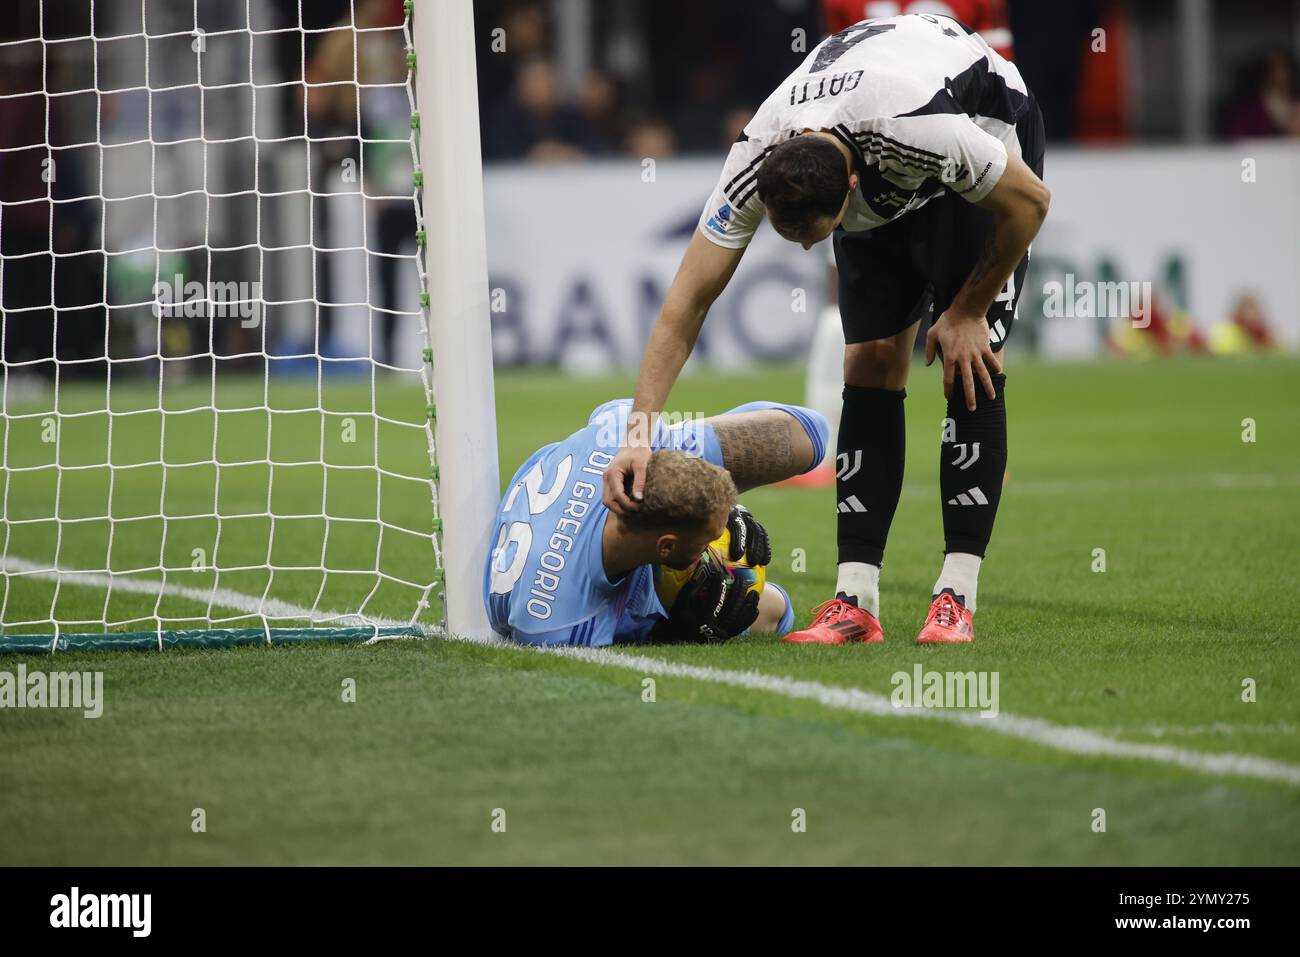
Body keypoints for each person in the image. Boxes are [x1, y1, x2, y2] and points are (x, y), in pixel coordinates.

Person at [602, 13, 1050, 645]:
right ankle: (854, 602)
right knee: (866, 364)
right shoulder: (755, 152)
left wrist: (970, 310)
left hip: (981, 130)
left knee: (967, 360)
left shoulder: (925, 133)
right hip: (874, 156)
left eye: (818, 234)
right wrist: (639, 434)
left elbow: (1029, 203)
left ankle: (956, 596)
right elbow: (686, 302)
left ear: (850, 186)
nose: (812, 252)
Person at [485, 399, 829, 647]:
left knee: (808, 444)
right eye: (708, 540)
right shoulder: (562, 622)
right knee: (766, 608)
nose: (716, 544)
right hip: (570, 583)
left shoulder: (623, 433)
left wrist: (701, 482)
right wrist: (678, 630)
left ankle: (688, 474)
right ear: (666, 545)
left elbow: (811, 429)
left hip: (617, 488)